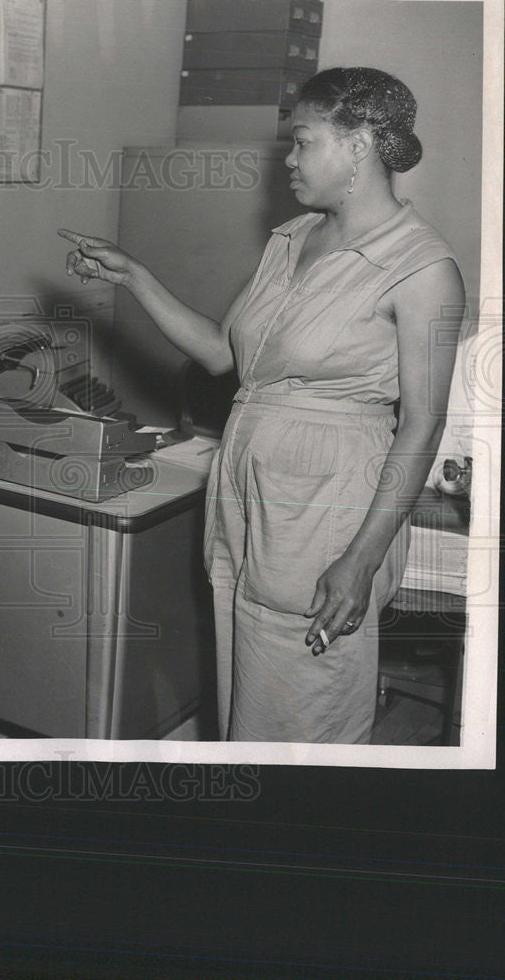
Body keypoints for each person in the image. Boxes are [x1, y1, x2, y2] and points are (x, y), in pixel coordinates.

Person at [59, 68, 465, 744]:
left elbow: (423, 423)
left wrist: (361, 560)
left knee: (310, 705)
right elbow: (226, 354)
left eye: (303, 142)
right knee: (245, 691)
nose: (289, 159)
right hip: (250, 494)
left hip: (330, 509)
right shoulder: (294, 239)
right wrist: (134, 276)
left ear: (360, 144)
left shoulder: (421, 270)